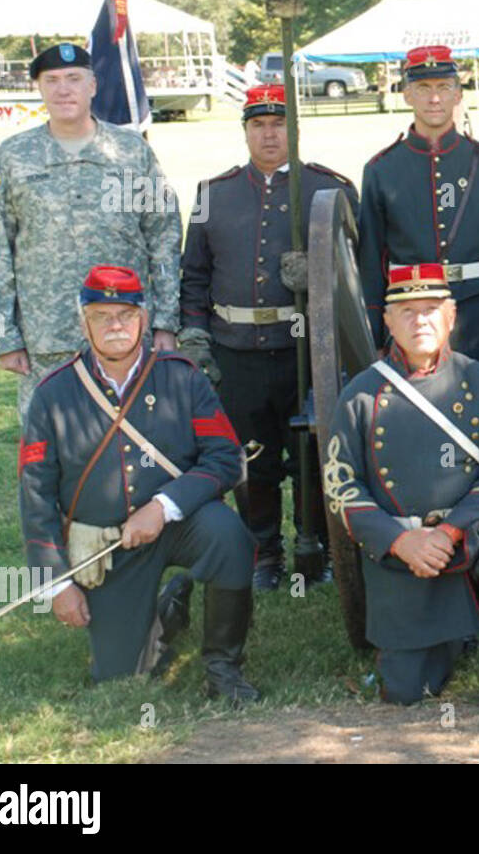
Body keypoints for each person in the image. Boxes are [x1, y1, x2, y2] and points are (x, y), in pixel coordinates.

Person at [19, 265, 258, 701]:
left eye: (126, 315)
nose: (115, 326)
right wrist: (56, 584)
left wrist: (163, 505)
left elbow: (226, 457)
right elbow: (35, 498)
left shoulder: (182, 377)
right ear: (83, 321)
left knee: (229, 536)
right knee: (120, 678)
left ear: (144, 320)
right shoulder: (53, 396)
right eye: (102, 316)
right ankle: (168, 611)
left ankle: (223, 666)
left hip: (180, 524)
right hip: (109, 546)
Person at [322, 263, 479, 712]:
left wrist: (449, 530)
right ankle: (451, 635)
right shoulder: (360, 396)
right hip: (403, 549)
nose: (419, 321)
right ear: (387, 320)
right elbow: (341, 488)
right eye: (406, 311)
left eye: (430, 310)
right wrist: (400, 541)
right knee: (407, 692)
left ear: (451, 316)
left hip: (473, 532)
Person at [180, 84, 360, 590]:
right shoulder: (213, 195)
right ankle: (263, 552)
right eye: (258, 125)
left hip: (306, 348)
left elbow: (357, 277)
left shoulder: (330, 190)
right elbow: (193, 277)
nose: (269, 134)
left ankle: (317, 546)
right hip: (236, 351)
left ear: (295, 129)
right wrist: (195, 335)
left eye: (279, 124)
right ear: (245, 131)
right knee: (250, 457)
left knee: (311, 455)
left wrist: (319, 275)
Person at [0, 43, 181, 423]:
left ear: (94, 86)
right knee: (51, 450)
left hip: (126, 332)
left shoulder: (131, 152)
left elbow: (163, 235)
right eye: (51, 80)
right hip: (47, 338)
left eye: (73, 79)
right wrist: (3, 338)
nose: (63, 89)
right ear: (39, 88)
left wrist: (166, 320)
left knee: (132, 445)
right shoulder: (14, 156)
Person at [357, 45, 479, 367]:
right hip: (411, 320)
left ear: (458, 94)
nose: (434, 99)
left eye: (444, 87)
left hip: (478, 315)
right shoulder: (381, 169)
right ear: (407, 95)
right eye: (423, 88)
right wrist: (377, 333)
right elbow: (372, 261)